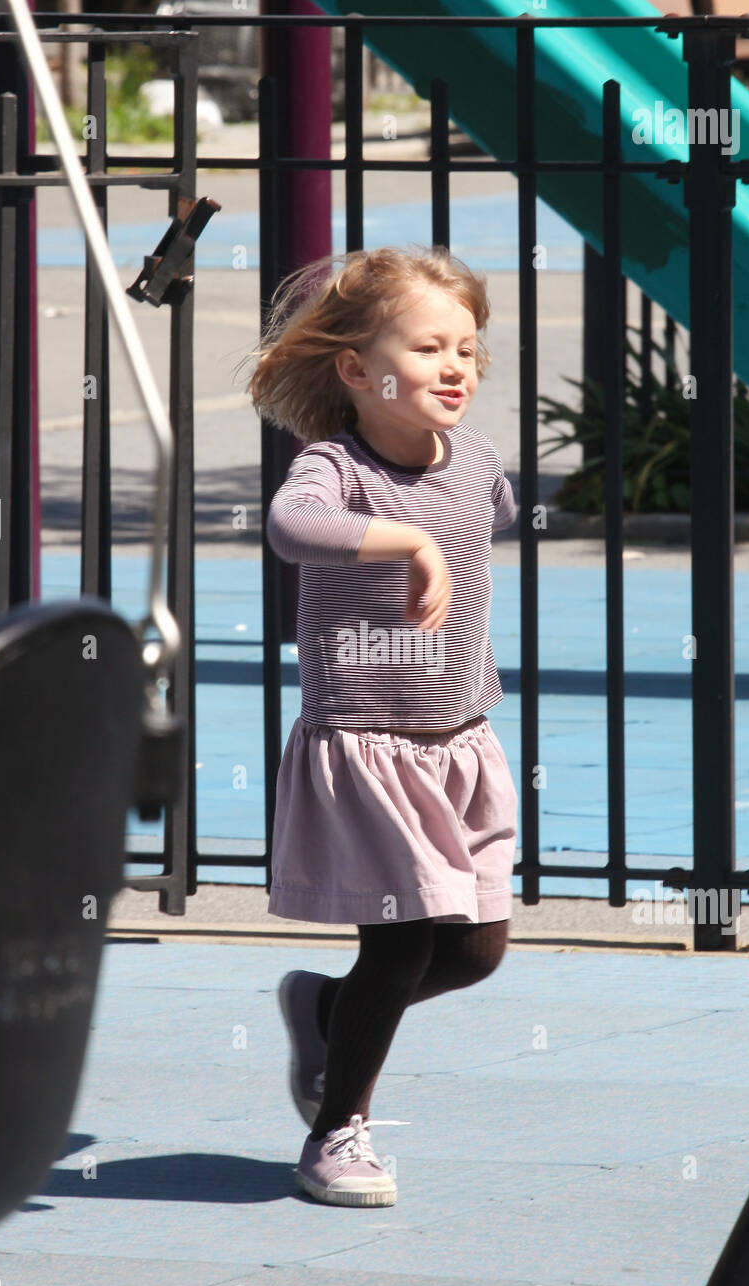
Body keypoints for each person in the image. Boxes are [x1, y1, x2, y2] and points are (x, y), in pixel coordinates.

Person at [243, 244, 519, 1208]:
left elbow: (487, 522)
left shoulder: (477, 460)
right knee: (400, 940)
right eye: (431, 347)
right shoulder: (334, 469)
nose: (457, 367)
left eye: (469, 349)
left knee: (476, 951)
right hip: (368, 744)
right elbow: (290, 528)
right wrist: (403, 541)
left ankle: (325, 1008)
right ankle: (336, 1134)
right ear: (357, 372)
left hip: (458, 739)